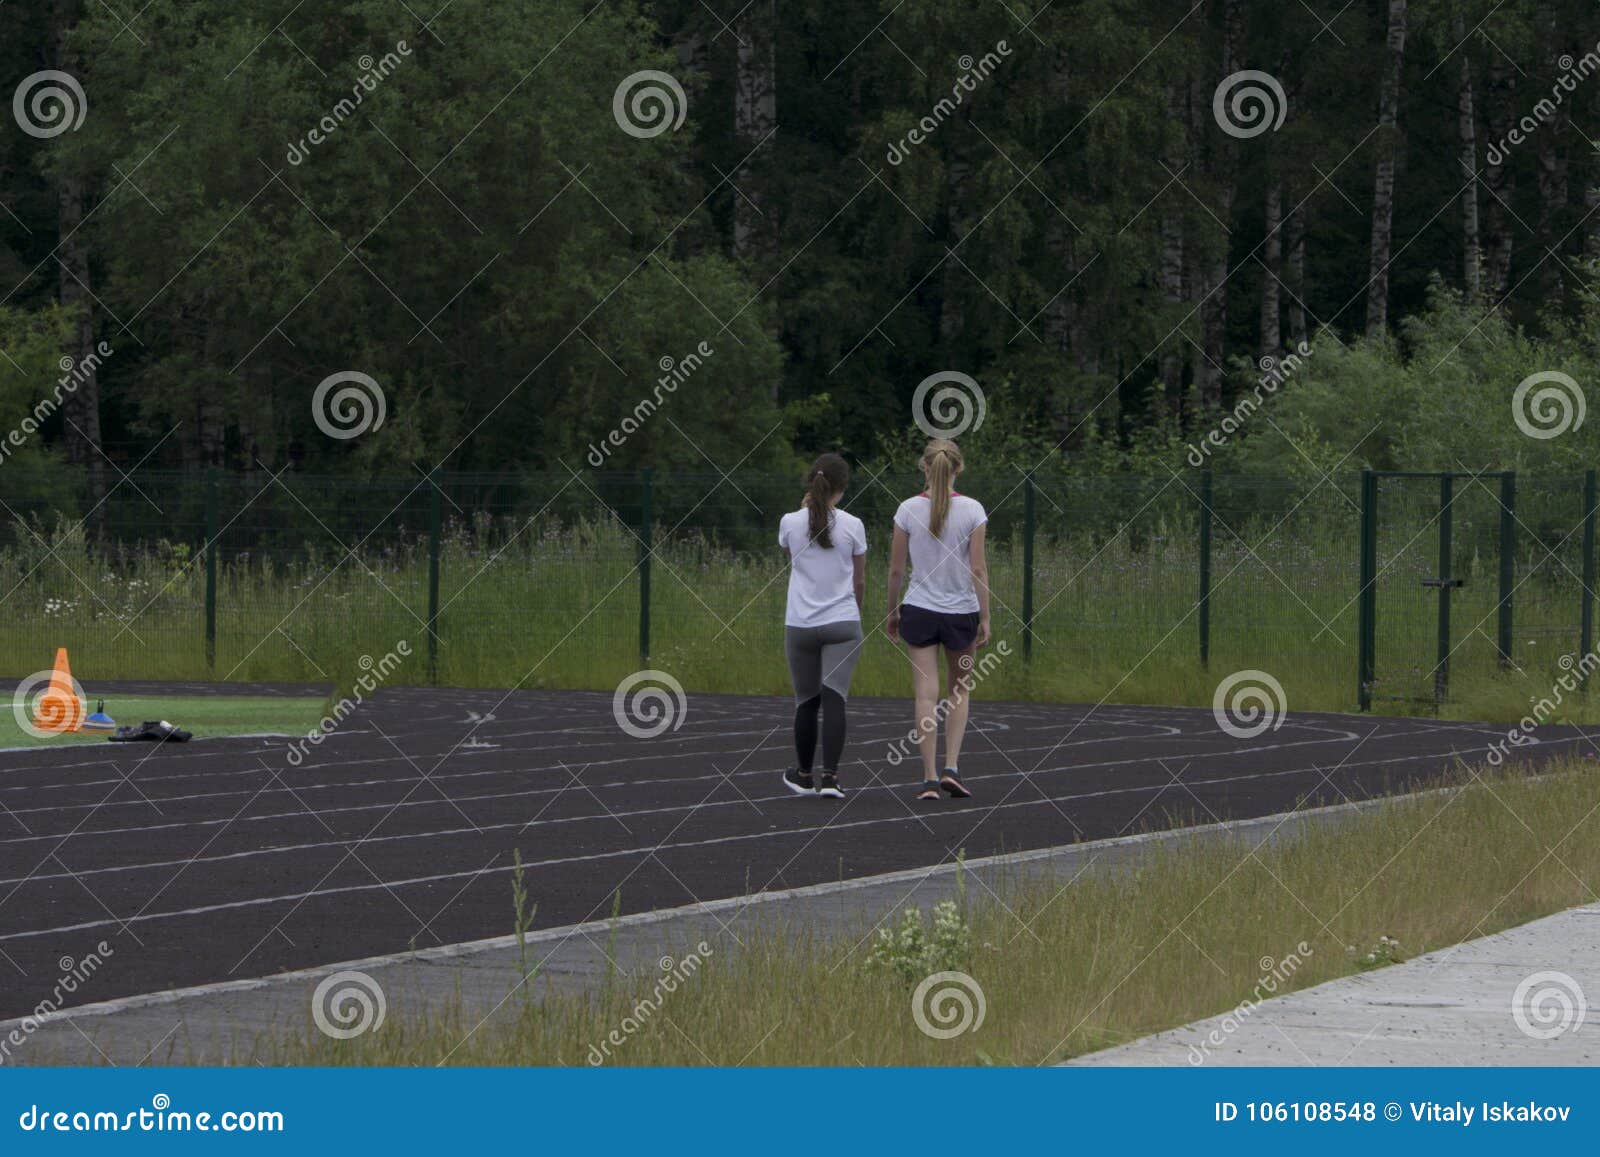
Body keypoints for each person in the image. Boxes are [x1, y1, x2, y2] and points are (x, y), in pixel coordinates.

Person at [885, 439, 991, 801]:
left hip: (919, 608)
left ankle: (929, 777)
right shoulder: (973, 510)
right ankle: (952, 767)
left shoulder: (907, 509)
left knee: (924, 695)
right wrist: (986, 615)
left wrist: (892, 610)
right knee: (959, 690)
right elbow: (977, 568)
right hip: (961, 611)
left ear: (924, 467)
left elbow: (897, 570)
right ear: (958, 468)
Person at [778, 453, 867, 799]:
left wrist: (803, 511)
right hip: (842, 620)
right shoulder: (854, 525)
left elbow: (793, 562)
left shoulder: (789, 522)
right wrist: (853, 611)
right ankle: (830, 777)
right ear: (842, 488)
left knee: (805, 701)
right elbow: (859, 581)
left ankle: (802, 774)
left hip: (800, 622)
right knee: (835, 699)